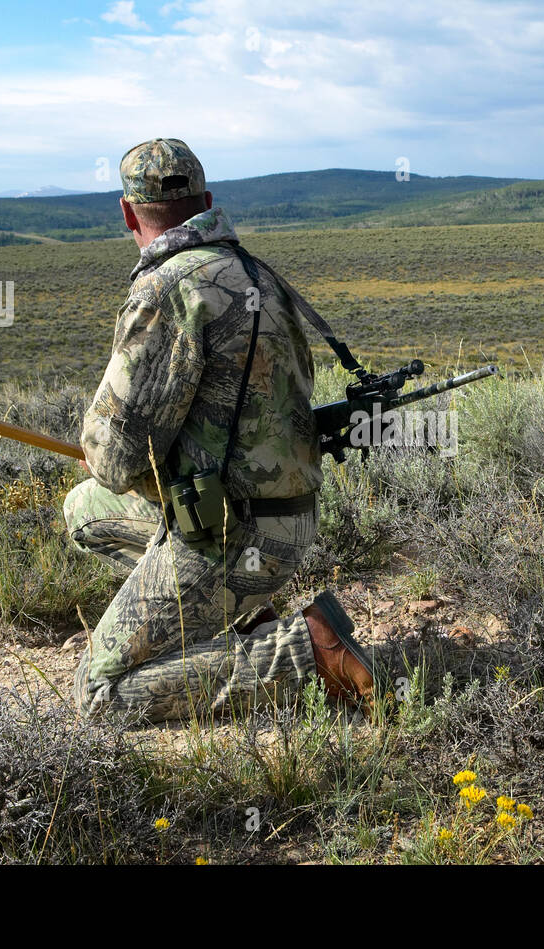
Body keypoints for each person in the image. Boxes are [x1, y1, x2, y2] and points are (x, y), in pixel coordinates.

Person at [64, 137, 374, 722]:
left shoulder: (165, 289)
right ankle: (237, 614)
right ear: (206, 200)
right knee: (84, 509)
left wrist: (105, 452)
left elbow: (114, 458)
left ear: (128, 213)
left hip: (225, 534)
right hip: (291, 521)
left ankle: (307, 653)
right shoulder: (261, 275)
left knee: (97, 697)